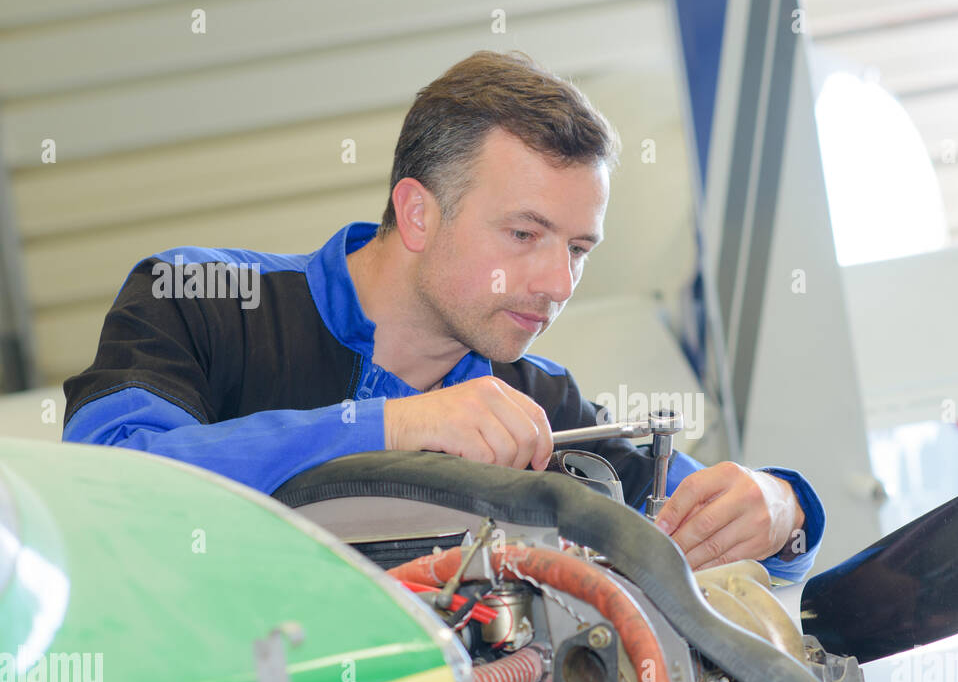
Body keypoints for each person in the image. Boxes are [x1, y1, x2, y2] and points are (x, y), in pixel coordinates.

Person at [63, 50, 825, 581]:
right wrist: (395, 428)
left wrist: (782, 507)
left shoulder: (544, 408)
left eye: (578, 248)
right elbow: (107, 489)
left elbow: (717, 515)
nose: (558, 282)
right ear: (418, 214)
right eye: (524, 234)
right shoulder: (200, 300)